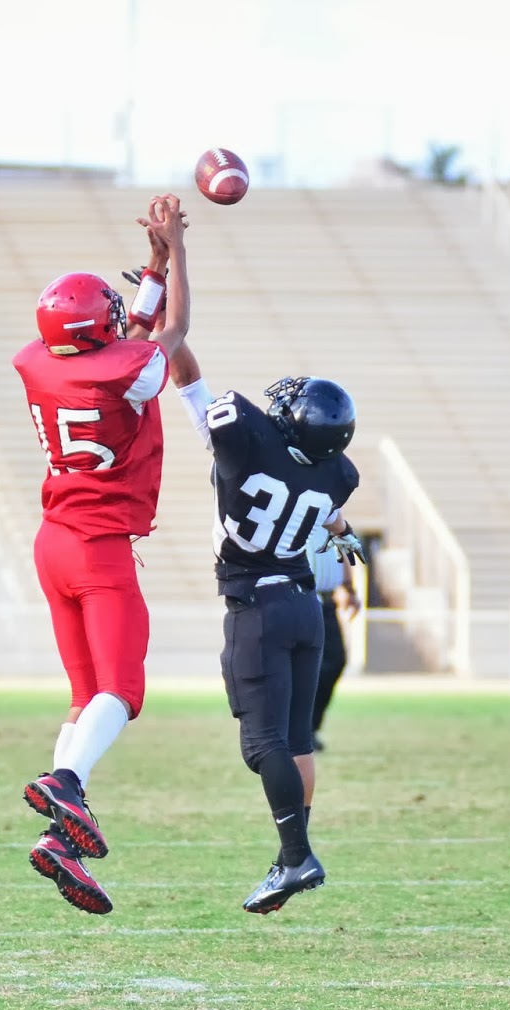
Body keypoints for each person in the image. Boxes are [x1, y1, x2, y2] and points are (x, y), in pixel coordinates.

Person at [11, 193, 191, 915]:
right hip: (99, 549)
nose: (123, 320)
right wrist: (177, 251)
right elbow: (170, 332)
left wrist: (148, 264)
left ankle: (60, 837)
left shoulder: (43, 362)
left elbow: (133, 336)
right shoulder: (124, 368)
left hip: (53, 541)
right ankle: (66, 786)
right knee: (122, 691)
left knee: (85, 699)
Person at [165, 330, 363, 911]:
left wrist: (167, 332)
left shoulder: (245, 439)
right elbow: (325, 505)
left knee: (263, 744)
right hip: (305, 608)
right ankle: (290, 856)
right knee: (298, 742)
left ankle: (296, 856)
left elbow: (188, 380)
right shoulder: (338, 475)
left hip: (255, 607)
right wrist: (344, 531)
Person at [305, 522, 360, 752]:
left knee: (335, 660)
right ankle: (297, 729)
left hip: (326, 602)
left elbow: (341, 541)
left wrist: (349, 587)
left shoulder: (328, 506)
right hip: (301, 597)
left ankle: (309, 727)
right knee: (304, 667)